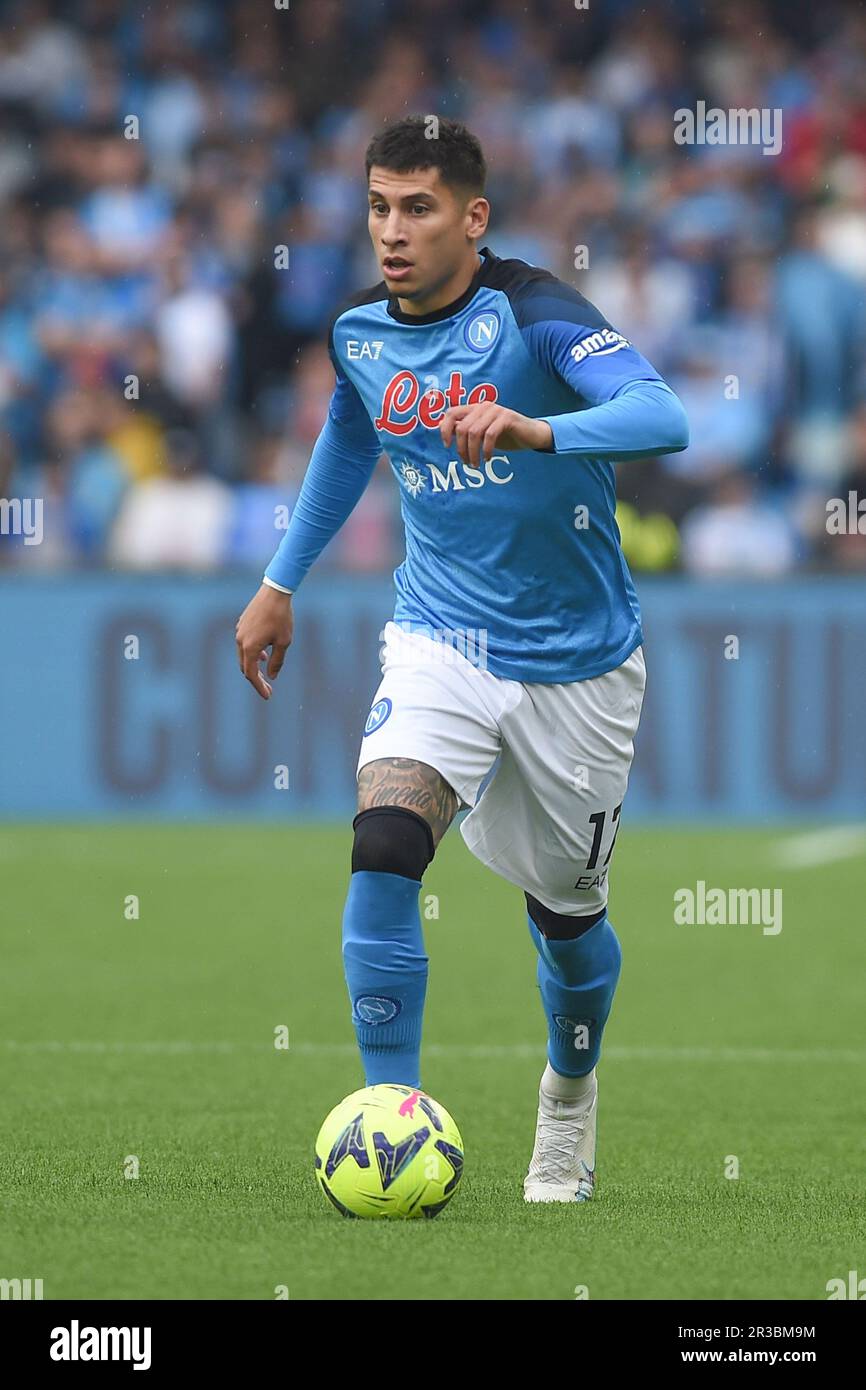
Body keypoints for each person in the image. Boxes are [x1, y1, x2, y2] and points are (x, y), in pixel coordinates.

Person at [235, 116, 688, 1203]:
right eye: (379, 206)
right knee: (384, 841)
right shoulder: (358, 336)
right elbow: (351, 437)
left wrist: (539, 431)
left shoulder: (532, 314)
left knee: (567, 923)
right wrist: (279, 580)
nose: (392, 231)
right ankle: (393, 1118)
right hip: (439, 638)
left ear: (471, 218)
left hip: (577, 664)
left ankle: (567, 1104)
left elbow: (662, 415)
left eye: (418, 208)